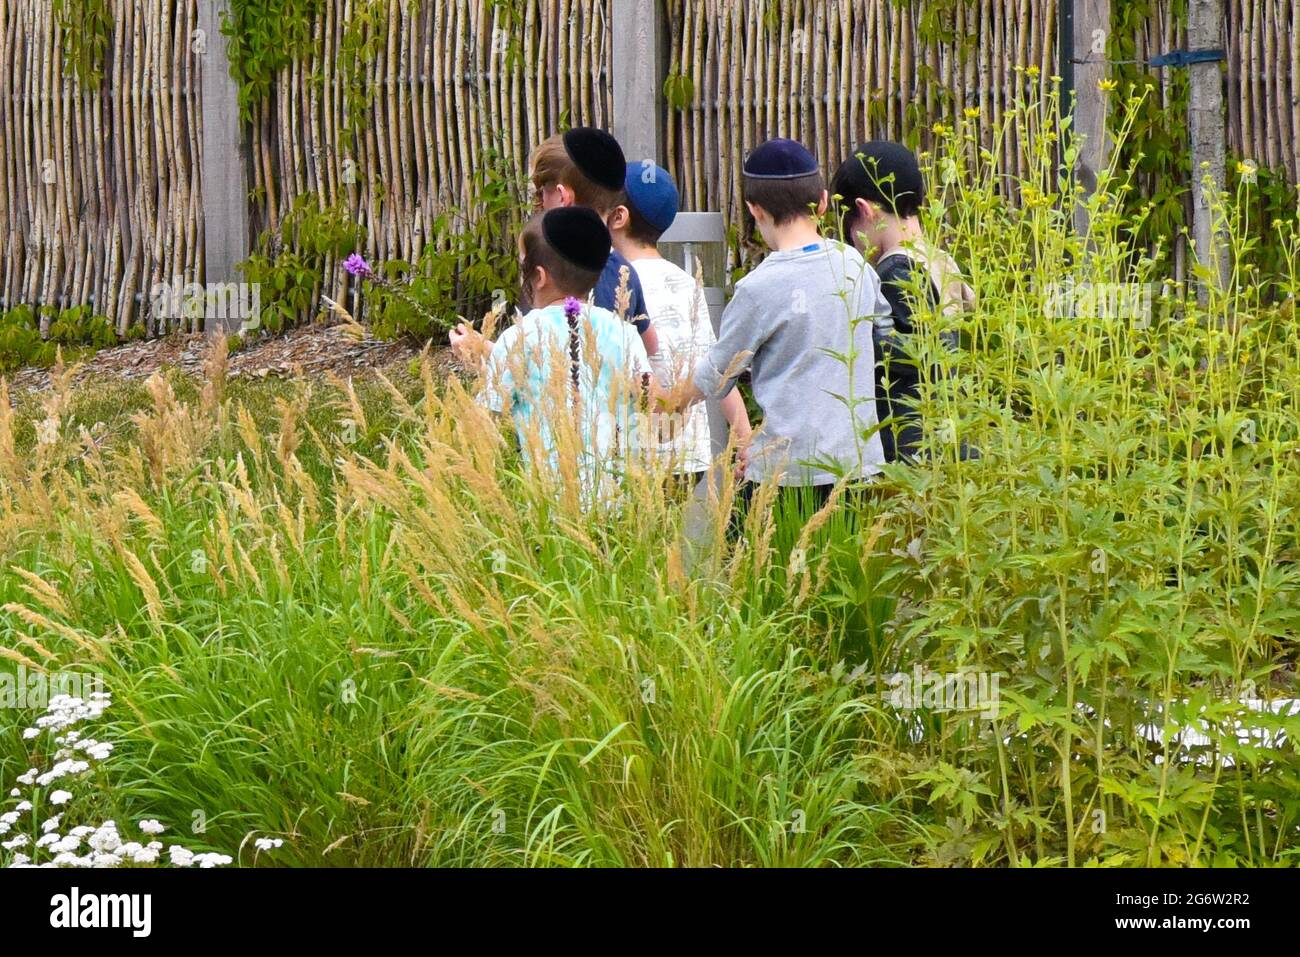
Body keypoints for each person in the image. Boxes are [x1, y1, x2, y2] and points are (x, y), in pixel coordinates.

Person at [668, 138, 890, 516]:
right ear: (822, 202)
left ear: (755, 211)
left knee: (765, 572)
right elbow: (883, 326)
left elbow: (718, 373)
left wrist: (668, 400)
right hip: (856, 465)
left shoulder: (758, 288)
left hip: (784, 476)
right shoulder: (853, 265)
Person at [449, 207, 658, 504]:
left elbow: (485, 423)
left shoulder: (519, 337)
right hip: (622, 504)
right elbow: (650, 398)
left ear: (539, 276)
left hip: (552, 508)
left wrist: (477, 361)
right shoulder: (624, 333)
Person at [831, 141, 974, 462]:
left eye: (849, 226)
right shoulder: (941, 260)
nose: (853, 241)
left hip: (911, 445)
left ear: (865, 210)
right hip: (948, 430)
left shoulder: (897, 269)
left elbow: (902, 358)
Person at [609, 161, 751, 482]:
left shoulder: (614, 284)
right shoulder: (688, 283)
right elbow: (715, 368)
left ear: (618, 216)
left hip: (631, 455)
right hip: (687, 456)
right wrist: (743, 436)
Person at [529, 127, 659, 357]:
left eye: (542, 194)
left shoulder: (552, 270)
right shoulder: (624, 270)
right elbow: (650, 346)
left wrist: (486, 350)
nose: (539, 203)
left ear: (562, 196)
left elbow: (539, 355)